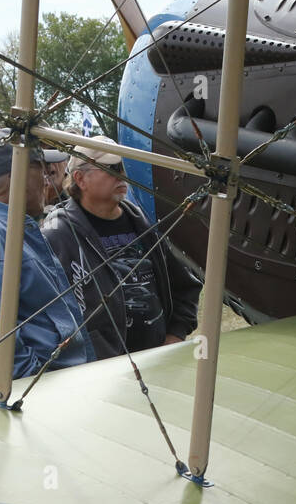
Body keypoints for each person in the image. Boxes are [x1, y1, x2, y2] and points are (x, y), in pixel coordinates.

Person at [0, 130, 95, 387]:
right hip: (38, 400)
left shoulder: (11, 228)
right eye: (41, 169)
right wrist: (36, 384)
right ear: (17, 175)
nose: (48, 182)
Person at [41, 136, 200, 361]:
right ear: (80, 179)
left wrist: (175, 335)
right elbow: (49, 314)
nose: (121, 174)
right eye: (111, 167)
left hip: (160, 360)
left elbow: (186, 286)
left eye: (123, 166)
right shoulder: (57, 234)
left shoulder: (144, 222)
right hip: (100, 376)